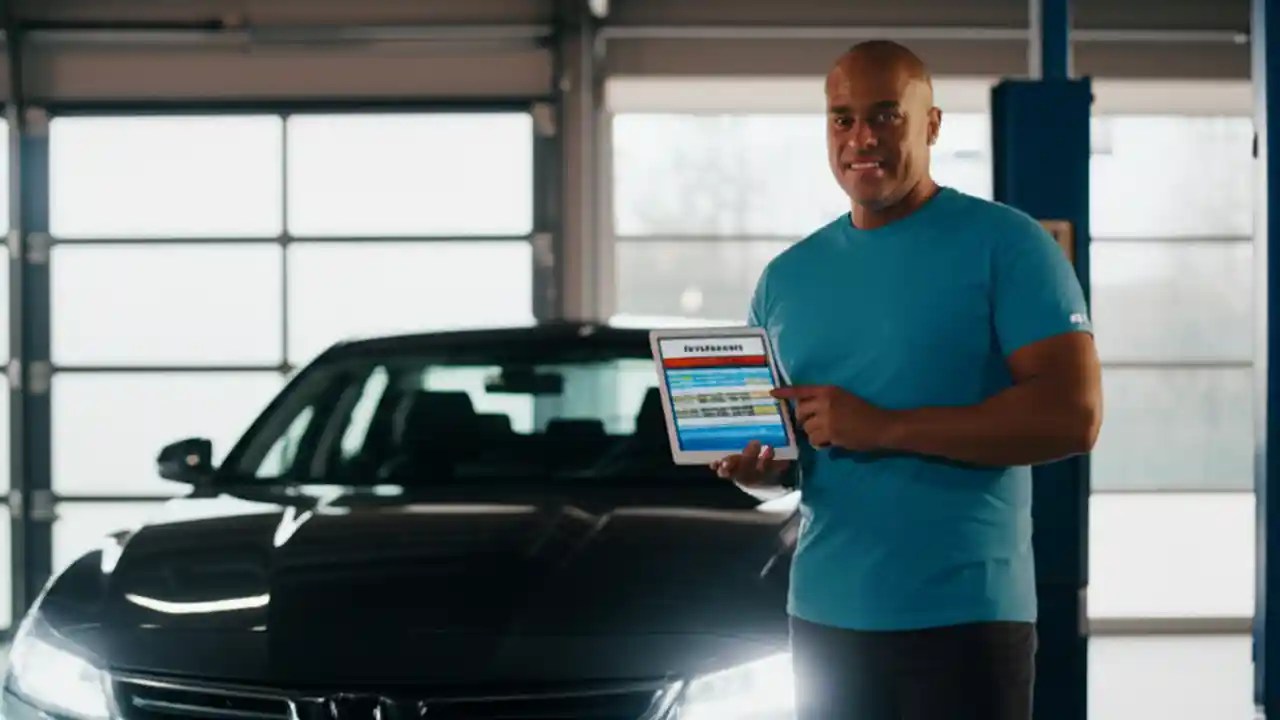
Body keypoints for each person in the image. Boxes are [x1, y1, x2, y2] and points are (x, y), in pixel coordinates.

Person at [711, 40, 1103, 720]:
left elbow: (1073, 415)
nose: (861, 138)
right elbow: (790, 456)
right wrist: (762, 469)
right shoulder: (786, 277)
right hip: (825, 614)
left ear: (931, 124)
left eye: (885, 116)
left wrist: (885, 426)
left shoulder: (1008, 245)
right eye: (842, 119)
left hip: (965, 618)